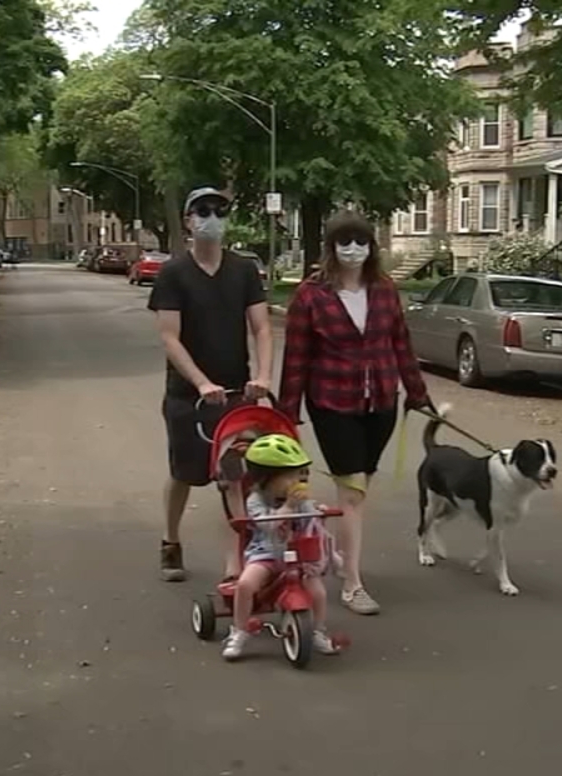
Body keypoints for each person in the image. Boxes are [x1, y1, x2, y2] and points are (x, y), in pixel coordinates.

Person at [277, 210, 432, 615]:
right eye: (344, 242)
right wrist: (286, 414)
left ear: (371, 247)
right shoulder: (311, 295)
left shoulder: (384, 290)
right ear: (331, 248)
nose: (352, 250)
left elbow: (402, 345)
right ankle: (352, 584)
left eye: (360, 242)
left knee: (361, 488)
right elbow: (296, 358)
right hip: (332, 402)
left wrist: (417, 393)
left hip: (380, 402)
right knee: (353, 491)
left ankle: (343, 549)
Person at [148, 187, 275, 582]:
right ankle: (170, 541)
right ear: (189, 220)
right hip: (190, 397)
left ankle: (236, 567)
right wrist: (202, 383)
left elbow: (261, 326)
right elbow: (170, 337)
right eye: (203, 211)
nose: (212, 219)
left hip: (236, 392)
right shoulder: (174, 273)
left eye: (220, 211)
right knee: (185, 473)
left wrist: (264, 376)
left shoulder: (242, 271)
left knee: (233, 476)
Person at [225, 434, 338, 660]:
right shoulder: (256, 499)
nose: (296, 483)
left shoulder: (300, 499)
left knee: (318, 591)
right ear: (267, 478)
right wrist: (288, 507)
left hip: (299, 555)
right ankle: (239, 630)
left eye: (298, 476)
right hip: (265, 553)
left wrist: (318, 513)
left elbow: (310, 523)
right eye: (289, 477)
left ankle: (317, 630)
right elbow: (268, 526)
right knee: (246, 584)